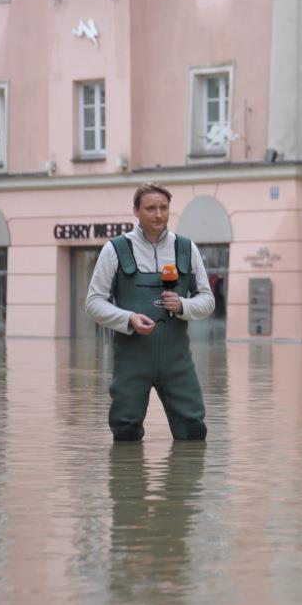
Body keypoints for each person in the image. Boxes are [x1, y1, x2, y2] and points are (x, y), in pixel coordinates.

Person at [85, 184, 214, 441]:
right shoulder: (115, 249)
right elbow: (93, 302)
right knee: (125, 431)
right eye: (151, 208)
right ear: (136, 211)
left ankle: (184, 481)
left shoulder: (187, 249)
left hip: (177, 361)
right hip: (132, 359)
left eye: (164, 208)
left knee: (193, 430)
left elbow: (207, 300)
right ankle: (128, 480)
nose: (158, 214)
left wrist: (183, 306)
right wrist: (128, 318)